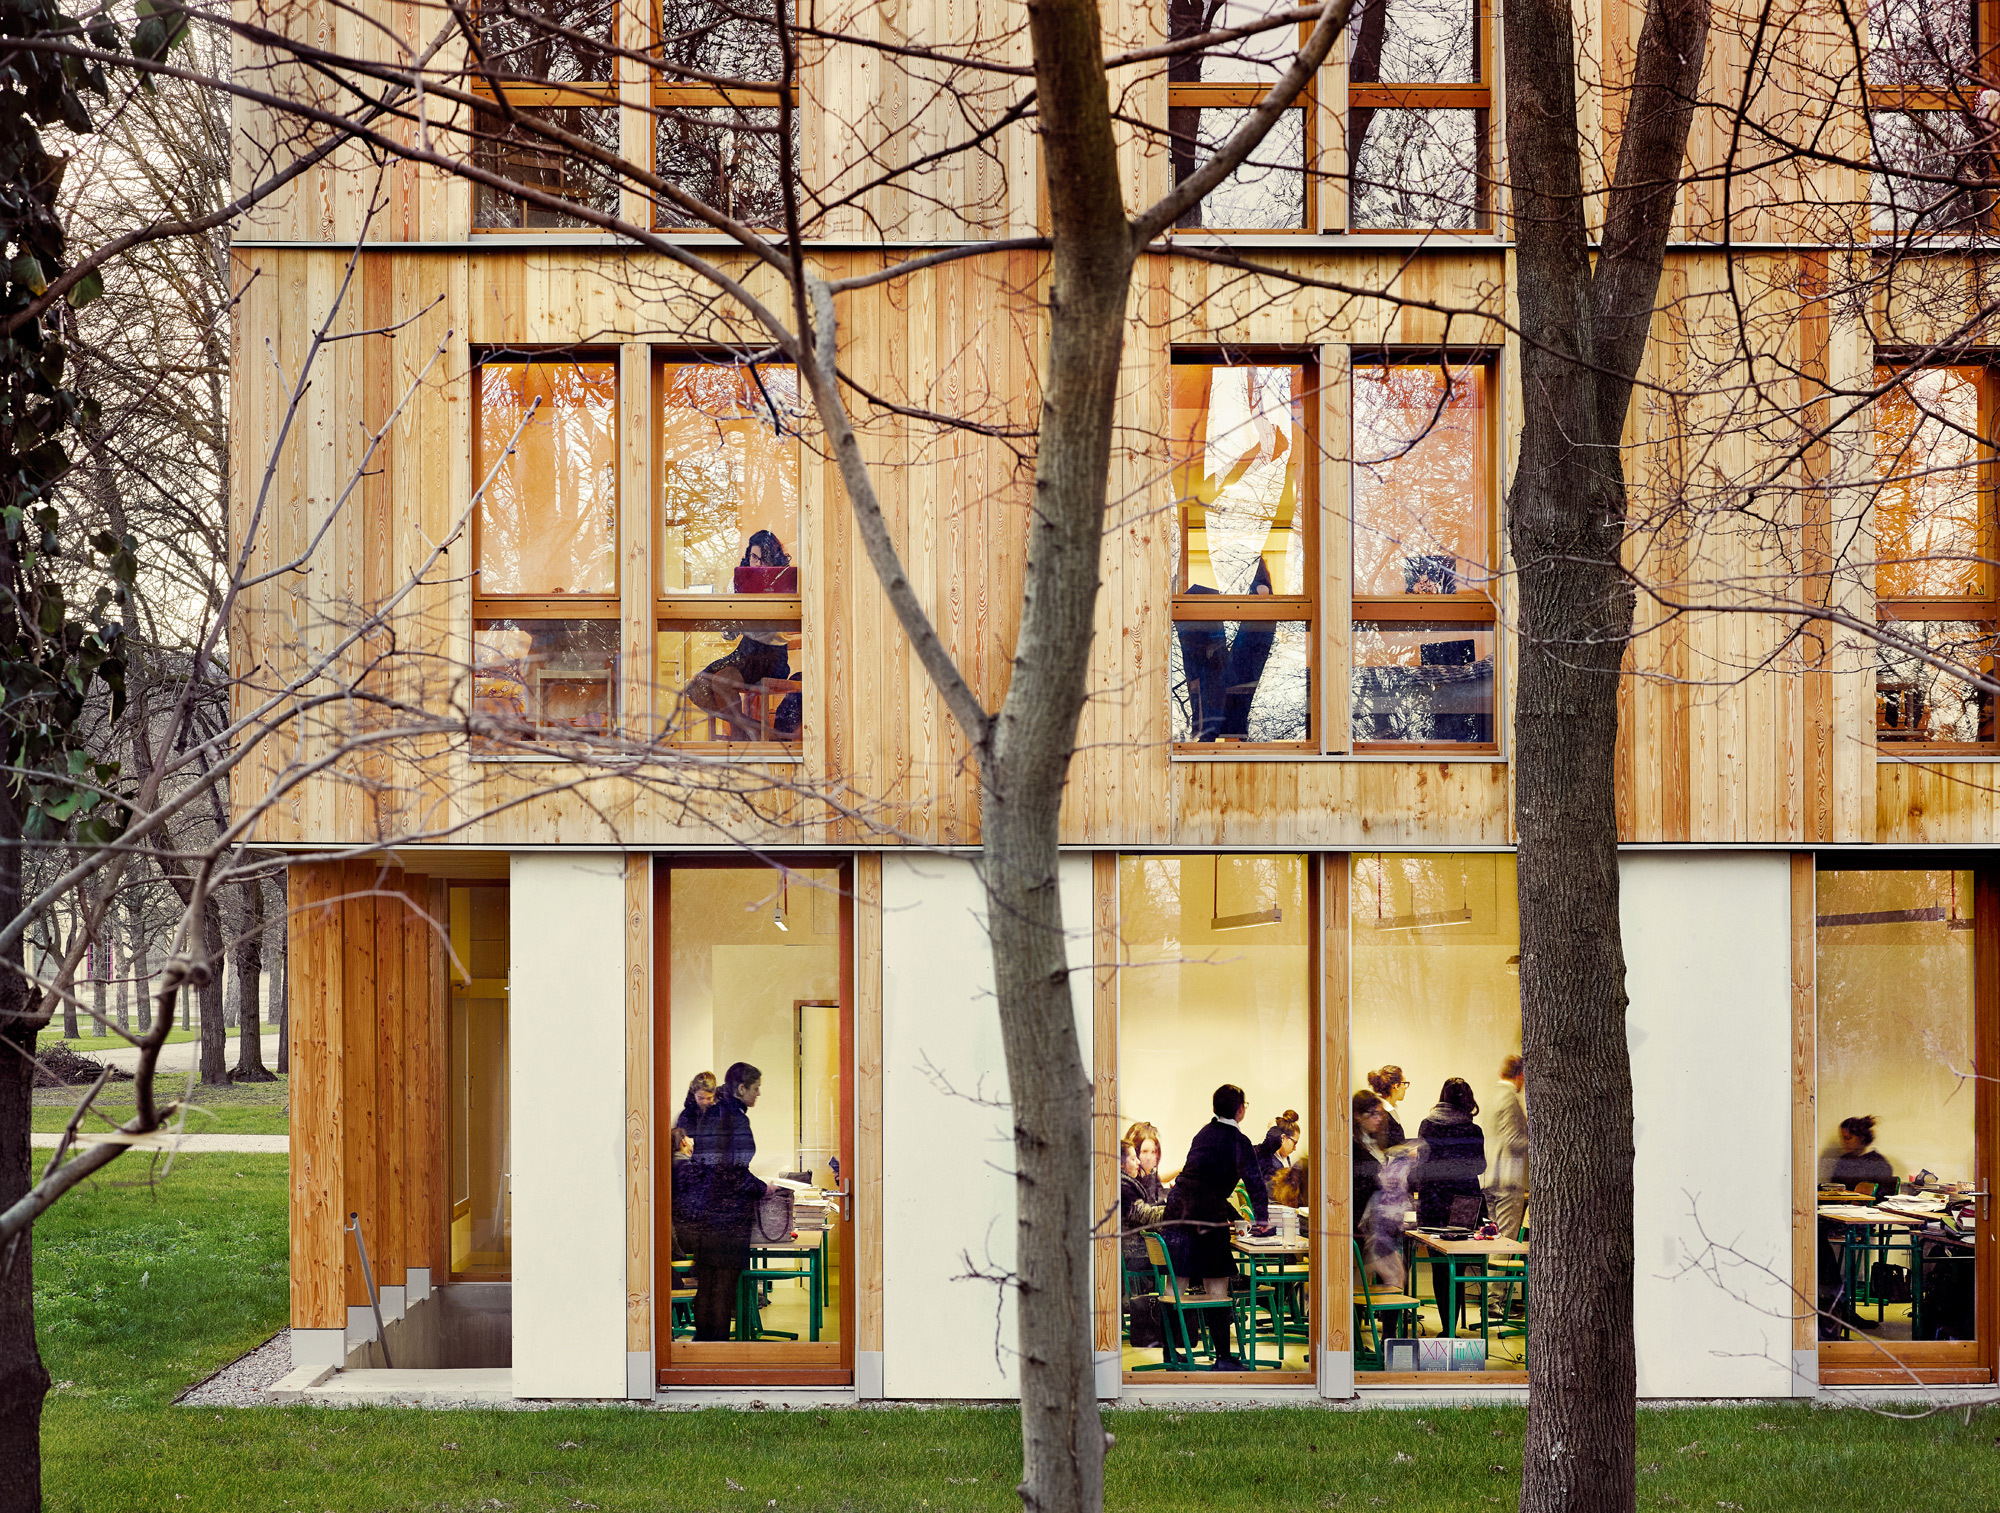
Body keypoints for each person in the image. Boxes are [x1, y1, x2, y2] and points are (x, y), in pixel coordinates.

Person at [1161, 1083, 1271, 1370]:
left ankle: (1172, 1354)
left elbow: (1200, 1177)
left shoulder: (1203, 1134)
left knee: (1176, 1284)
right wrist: (1261, 1219)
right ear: (1240, 1109)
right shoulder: (1238, 1142)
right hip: (1207, 1216)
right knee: (1217, 1285)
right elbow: (1256, 1185)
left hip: (1177, 1210)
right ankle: (1223, 1357)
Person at [684, 1061, 770, 1342]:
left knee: (707, 1285)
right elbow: (732, 1171)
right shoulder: (736, 1119)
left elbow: (709, 1164)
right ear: (741, 1088)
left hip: (706, 1213)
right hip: (729, 1216)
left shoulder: (711, 1113)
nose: (758, 1094)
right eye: (755, 1088)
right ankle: (716, 1348)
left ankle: (702, 1346)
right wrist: (762, 1188)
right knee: (723, 1287)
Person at [1412, 1077, 1487, 1335]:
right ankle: (1451, 1328)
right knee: (1459, 1265)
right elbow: (1480, 1167)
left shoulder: (1428, 1125)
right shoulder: (1472, 1130)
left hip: (1434, 1201)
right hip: (1463, 1203)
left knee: (1439, 1266)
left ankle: (1446, 1326)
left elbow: (1422, 1165)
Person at [1482, 1054, 1529, 1319]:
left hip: (1491, 1178)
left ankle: (1494, 1297)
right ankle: (1495, 1303)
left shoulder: (1491, 1096)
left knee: (1494, 1240)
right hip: (1508, 1179)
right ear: (1520, 1075)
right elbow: (1514, 1140)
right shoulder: (1510, 1098)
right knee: (1506, 1243)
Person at [1120, 1121, 1169, 1349]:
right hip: (1136, 1251)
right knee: (1184, 1256)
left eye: (1153, 1152)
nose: (1146, 1159)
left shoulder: (1145, 1178)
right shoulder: (1127, 1184)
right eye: (1141, 1153)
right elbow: (1147, 1215)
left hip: (1143, 1246)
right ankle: (1178, 1316)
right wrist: (1176, 1209)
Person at [1820, 1115, 1897, 1193]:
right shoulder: (1845, 1159)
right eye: (1843, 1138)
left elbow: (1884, 1193)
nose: (1844, 1142)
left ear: (1861, 1138)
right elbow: (1835, 1184)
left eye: (1848, 1138)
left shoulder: (1878, 1162)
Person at [1352, 1089, 1392, 1229]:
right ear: (1358, 1115)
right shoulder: (1351, 1147)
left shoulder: (1375, 1141)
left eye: (1380, 1113)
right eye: (1373, 1114)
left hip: (1377, 1217)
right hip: (1360, 1217)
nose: (1379, 1118)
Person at [1255, 1108, 1300, 1190]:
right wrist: (1274, 1128)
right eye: (1294, 1143)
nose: (1295, 1148)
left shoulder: (1286, 1159)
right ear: (1283, 1137)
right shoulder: (1266, 1158)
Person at [1366, 1066, 1411, 1148]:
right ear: (1396, 1086)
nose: (1405, 1087)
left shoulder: (1389, 1111)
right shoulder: (1379, 1114)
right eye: (1404, 1083)